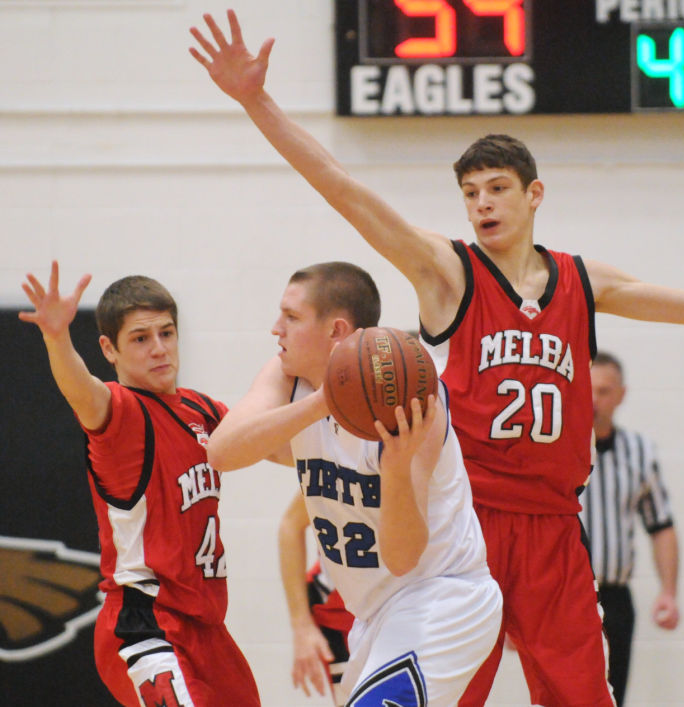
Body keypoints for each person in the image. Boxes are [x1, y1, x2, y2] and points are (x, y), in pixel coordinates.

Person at [189, 11, 684, 705]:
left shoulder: (584, 279)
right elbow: (346, 191)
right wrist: (260, 106)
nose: (482, 203)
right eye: (471, 192)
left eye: (498, 189)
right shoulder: (449, 272)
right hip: (466, 524)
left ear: (533, 193)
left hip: (553, 526)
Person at [204, 262, 502, 705]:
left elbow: (404, 559)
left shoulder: (411, 398)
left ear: (336, 330)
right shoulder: (287, 376)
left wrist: (397, 471)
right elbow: (221, 453)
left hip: (441, 600)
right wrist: (328, 400)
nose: (275, 329)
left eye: (291, 317)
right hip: (371, 617)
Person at [18, 261, 259, 707]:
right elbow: (81, 389)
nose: (159, 348)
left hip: (205, 626)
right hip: (145, 620)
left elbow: (274, 443)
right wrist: (57, 337)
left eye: (167, 333)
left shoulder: (203, 410)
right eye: (141, 338)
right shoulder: (122, 413)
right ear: (109, 349)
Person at [580, 351, 680, 706]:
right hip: (565, 595)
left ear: (621, 395)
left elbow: (662, 525)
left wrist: (668, 591)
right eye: (588, 389)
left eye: (604, 391)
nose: (593, 400)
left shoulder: (638, 452)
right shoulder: (554, 447)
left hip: (615, 597)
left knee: (612, 696)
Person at [277, 491, 352, 705]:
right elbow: (291, 525)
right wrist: (301, 625)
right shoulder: (338, 465)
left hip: (406, 602)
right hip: (338, 613)